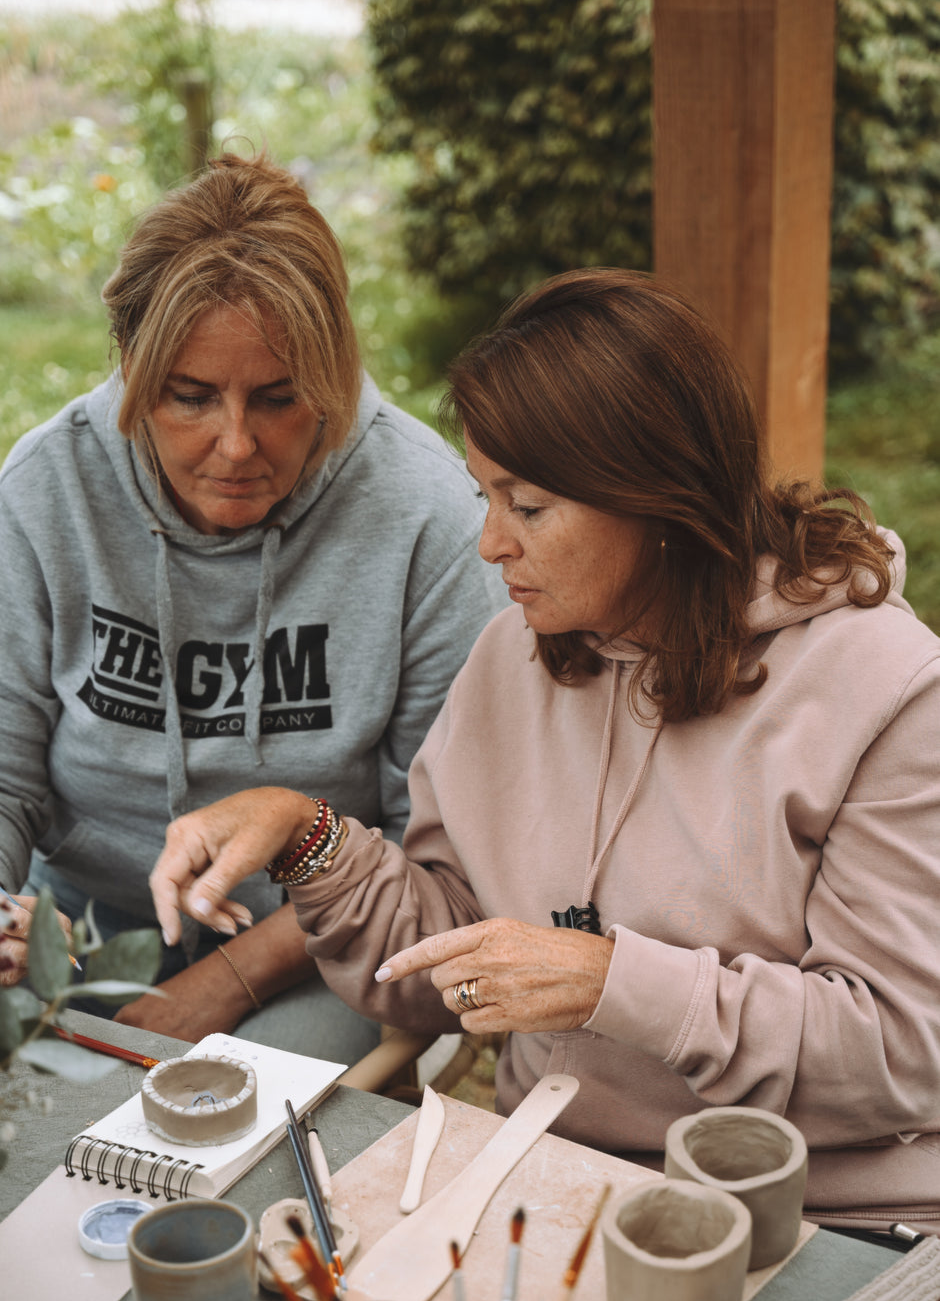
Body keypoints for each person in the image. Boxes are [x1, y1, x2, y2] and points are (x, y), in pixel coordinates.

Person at [148, 268, 940, 1230]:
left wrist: (613, 984)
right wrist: (304, 837)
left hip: (822, 1220)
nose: (489, 544)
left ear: (658, 501)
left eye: (527, 507)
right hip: (557, 1184)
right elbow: (454, 958)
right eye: (486, 496)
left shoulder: (888, 690)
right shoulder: (512, 658)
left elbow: (896, 1051)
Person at [0, 151, 502, 1063]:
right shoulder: (45, 490)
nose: (236, 444)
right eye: (190, 397)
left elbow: (432, 844)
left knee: (238, 1148)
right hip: (74, 924)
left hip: (322, 939)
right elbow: (4, 775)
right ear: (130, 370)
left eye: (279, 399)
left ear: (335, 371)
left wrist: (224, 983)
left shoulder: (427, 516)